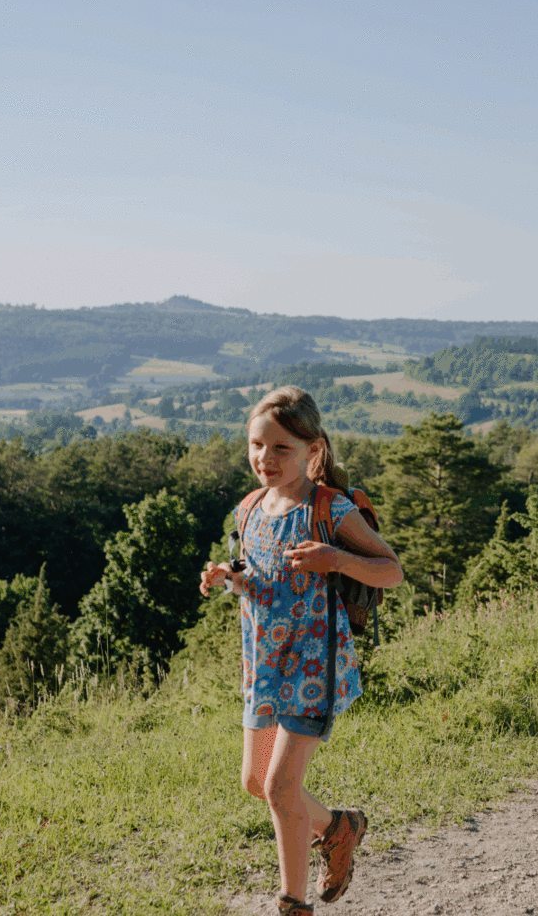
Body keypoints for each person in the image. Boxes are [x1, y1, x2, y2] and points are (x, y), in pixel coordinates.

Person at [200, 387, 402, 916]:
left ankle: (293, 904)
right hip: (264, 663)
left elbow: (391, 571)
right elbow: (260, 580)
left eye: (280, 448)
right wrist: (229, 578)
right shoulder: (248, 510)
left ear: (312, 451)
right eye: (256, 445)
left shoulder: (329, 508)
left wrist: (334, 558)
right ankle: (340, 828)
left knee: (281, 787)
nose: (264, 458)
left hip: (315, 665)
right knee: (255, 782)